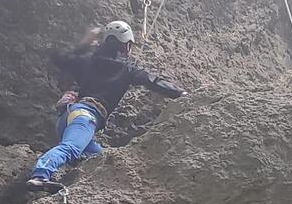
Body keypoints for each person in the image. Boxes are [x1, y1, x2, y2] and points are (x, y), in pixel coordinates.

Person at [27, 20, 186, 192]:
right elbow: (153, 80)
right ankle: (40, 175)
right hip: (85, 117)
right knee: (71, 148)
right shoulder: (127, 69)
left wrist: (83, 45)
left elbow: (60, 59)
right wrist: (180, 93)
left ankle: (83, 183)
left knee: (104, 159)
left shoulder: (86, 61)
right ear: (126, 45)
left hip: (68, 117)